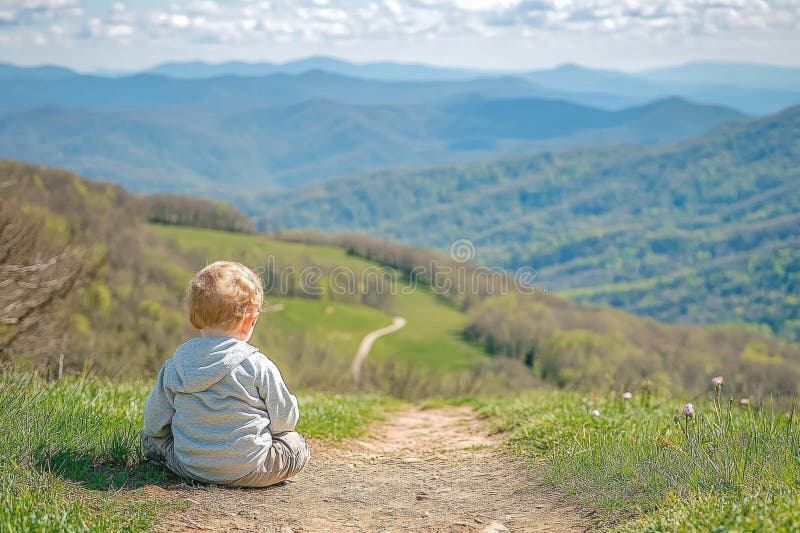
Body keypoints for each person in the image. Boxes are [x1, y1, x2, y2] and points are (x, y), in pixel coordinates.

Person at [140, 260, 310, 487]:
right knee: (295, 443)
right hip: (252, 470)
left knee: (149, 439)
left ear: (194, 315)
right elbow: (285, 421)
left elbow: (154, 422)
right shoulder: (257, 364)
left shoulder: (175, 364)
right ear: (249, 321)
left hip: (188, 466)